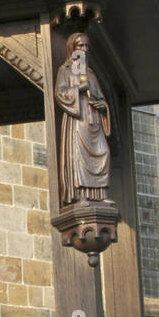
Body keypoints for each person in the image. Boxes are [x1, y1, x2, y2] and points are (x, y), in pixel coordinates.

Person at [54, 31, 112, 204]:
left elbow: (99, 96)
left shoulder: (90, 73)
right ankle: (81, 196)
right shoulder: (65, 70)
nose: (84, 49)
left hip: (94, 119)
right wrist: (78, 88)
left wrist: (103, 106)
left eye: (86, 46)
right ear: (72, 48)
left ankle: (100, 194)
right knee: (79, 156)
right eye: (80, 46)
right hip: (78, 119)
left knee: (104, 152)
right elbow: (60, 93)